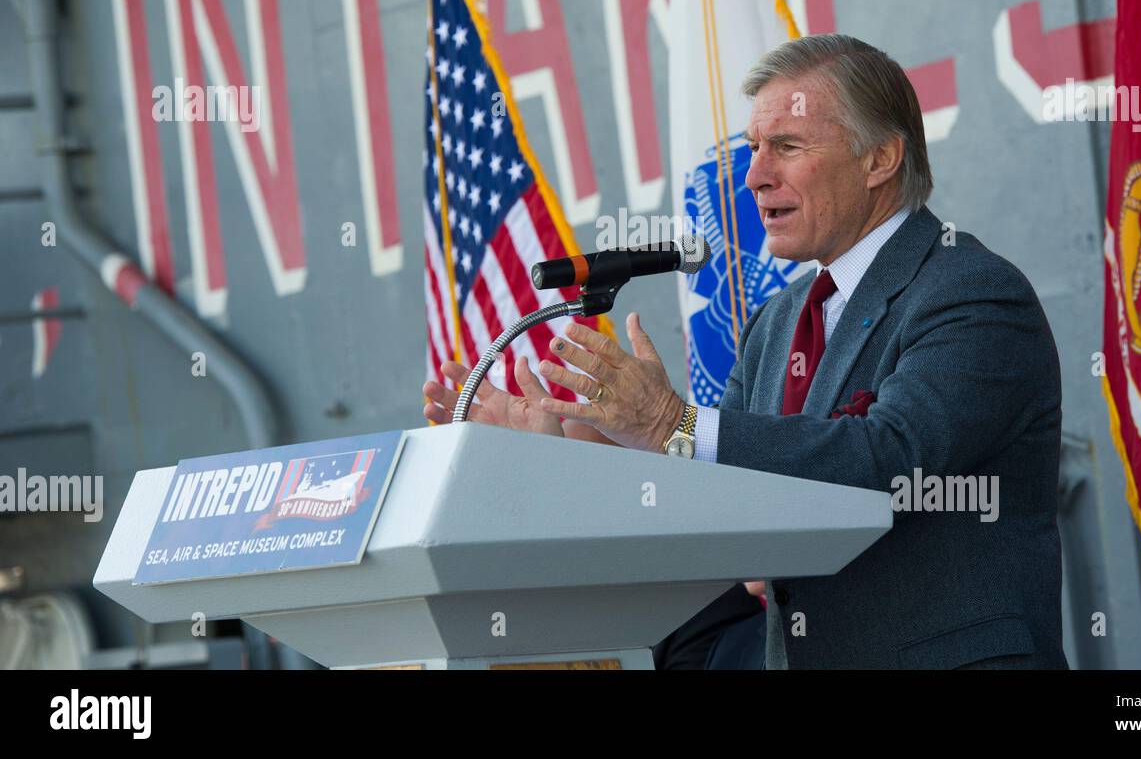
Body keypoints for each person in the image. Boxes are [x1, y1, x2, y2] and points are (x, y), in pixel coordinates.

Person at [424, 33, 1067, 670]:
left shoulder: (970, 292)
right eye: (754, 149)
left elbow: (887, 462)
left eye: (786, 147)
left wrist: (666, 422)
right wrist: (559, 454)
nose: (755, 176)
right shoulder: (780, 319)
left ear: (880, 159)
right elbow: (714, 495)